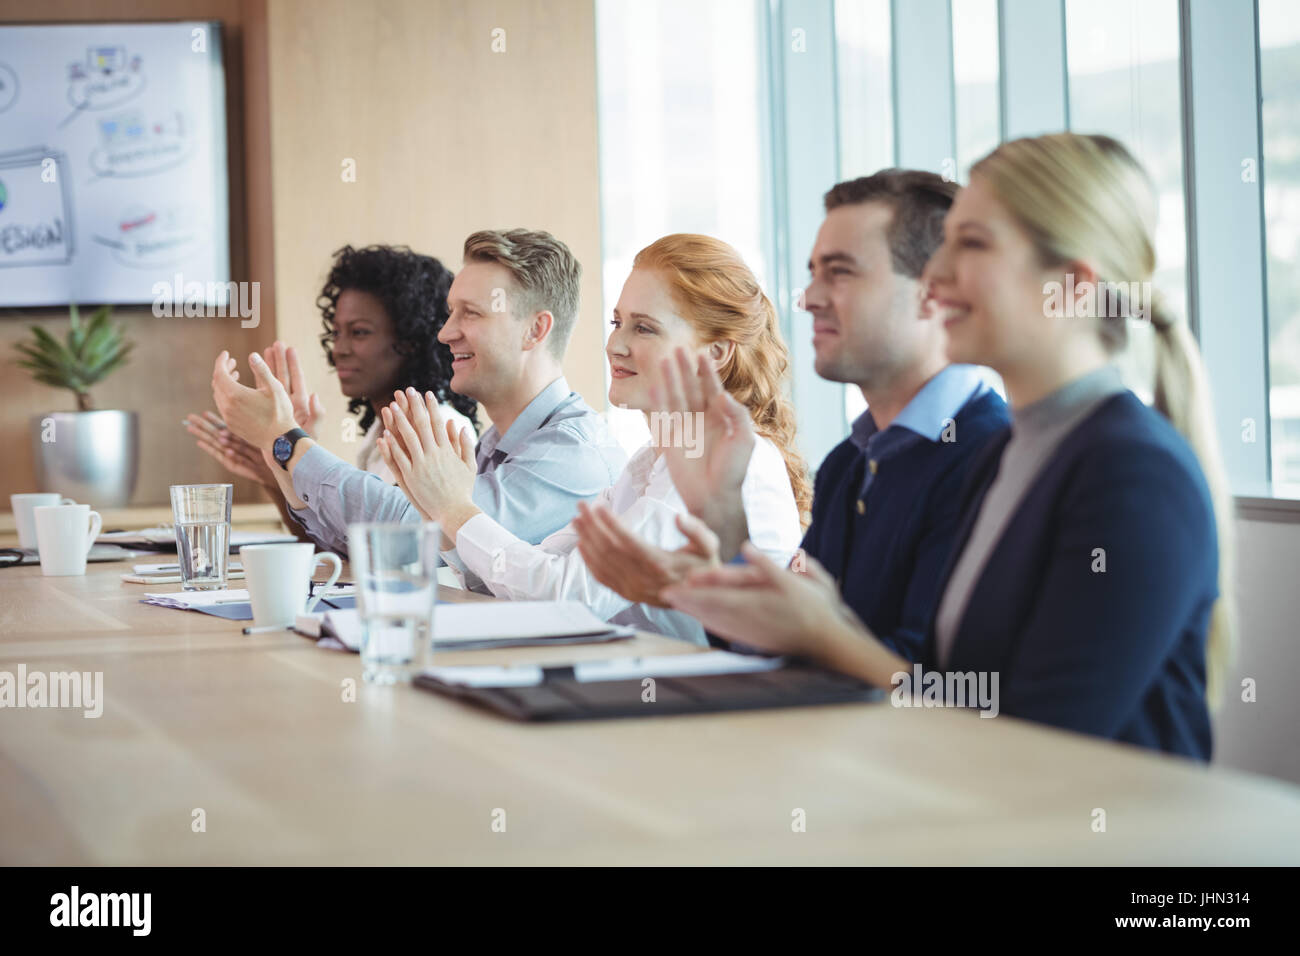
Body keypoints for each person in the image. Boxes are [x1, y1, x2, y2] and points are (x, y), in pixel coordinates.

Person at [660, 133, 1234, 760]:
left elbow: (1039, 737)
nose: (934, 275)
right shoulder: (1006, 455)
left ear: (1071, 287)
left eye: (974, 244)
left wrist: (829, 634)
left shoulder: (1132, 472)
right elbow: (947, 685)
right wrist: (816, 621)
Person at [573, 171, 1010, 662]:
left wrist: (706, 589)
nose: (809, 298)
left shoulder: (996, 461)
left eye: (841, 272)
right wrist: (719, 533)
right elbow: (784, 656)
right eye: (814, 272)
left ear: (935, 292)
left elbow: (950, 694)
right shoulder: (852, 461)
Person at [377, 234, 807, 645]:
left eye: (644, 328)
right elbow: (532, 577)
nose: (615, 344)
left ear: (714, 354)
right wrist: (439, 509)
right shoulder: (651, 462)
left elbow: (569, 595)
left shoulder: (718, 458)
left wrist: (455, 509)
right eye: (618, 322)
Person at [210, 229, 627, 572]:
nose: (445, 333)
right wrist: (282, 453)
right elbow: (385, 548)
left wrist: (287, 441)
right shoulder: (497, 444)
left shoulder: (571, 453)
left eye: (471, 313)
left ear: (535, 331)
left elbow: (414, 541)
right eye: (450, 313)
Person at [185, 245, 476, 542]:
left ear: (411, 340)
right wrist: (276, 472)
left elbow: (396, 549)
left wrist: (289, 443)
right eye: (336, 332)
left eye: (359, 332)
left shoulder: (441, 429)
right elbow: (338, 550)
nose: (340, 349)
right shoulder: (379, 432)